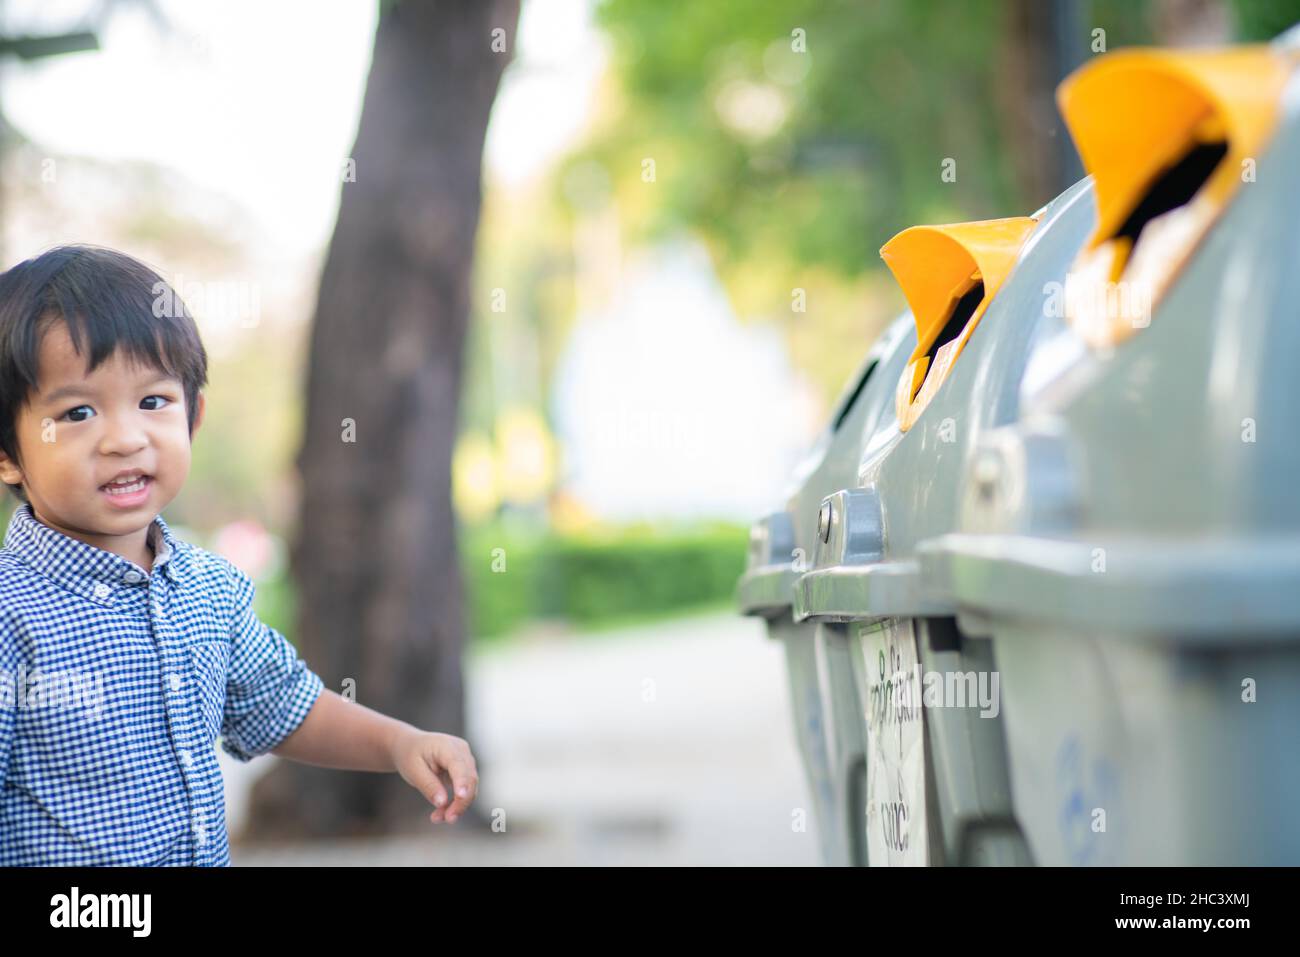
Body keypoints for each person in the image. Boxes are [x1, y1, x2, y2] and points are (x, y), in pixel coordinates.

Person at [0, 244, 477, 865]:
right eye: (78, 412)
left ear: (193, 417)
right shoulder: (13, 613)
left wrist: (398, 743)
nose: (124, 438)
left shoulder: (207, 587)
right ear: (7, 451)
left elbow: (280, 702)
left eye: (152, 402)